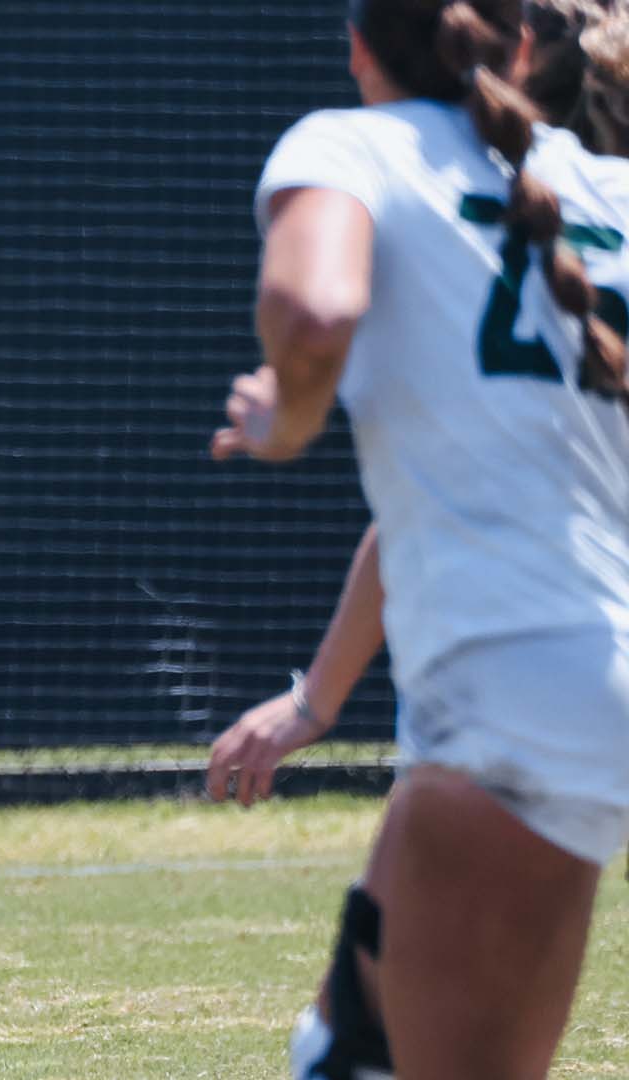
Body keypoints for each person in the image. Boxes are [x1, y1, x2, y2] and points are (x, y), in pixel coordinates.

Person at [210, 1, 629, 1076]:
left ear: (356, 48)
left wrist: (284, 420)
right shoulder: (605, 193)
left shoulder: (353, 147)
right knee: (348, 1045)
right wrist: (314, 704)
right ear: (518, 48)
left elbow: (309, 312)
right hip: (568, 695)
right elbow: (413, 525)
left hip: (513, 707)